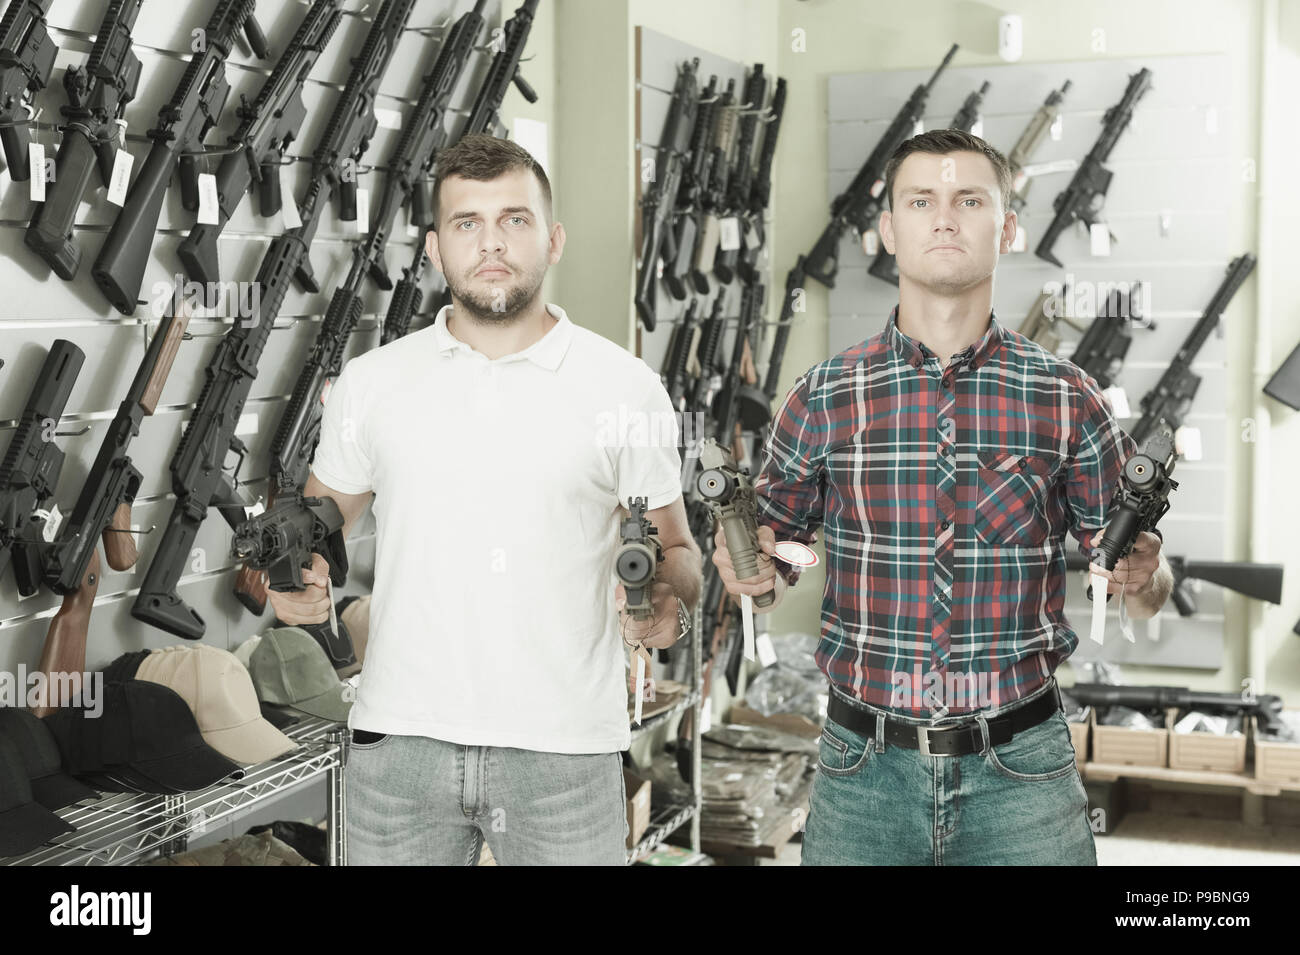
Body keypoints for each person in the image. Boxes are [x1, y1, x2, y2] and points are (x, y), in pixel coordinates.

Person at [711, 128, 1174, 865]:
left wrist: (1147, 575)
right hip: (862, 772)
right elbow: (776, 561)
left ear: (1008, 226)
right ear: (889, 229)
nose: (945, 219)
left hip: (1021, 771)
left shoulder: (1066, 398)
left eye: (969, 200)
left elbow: (1135, 581)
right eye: (921, 201)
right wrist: (752, 565)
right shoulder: (822, 398)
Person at [268, 134, 701, 865]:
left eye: (515, 220)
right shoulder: (372, 383)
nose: (491, 242)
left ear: (553, 239)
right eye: (468, 223)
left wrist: (671, 604)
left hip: (565, 751)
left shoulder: (624, 386)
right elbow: (312, 527)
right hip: (398, 747)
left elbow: (680, 549)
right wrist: (294, 582)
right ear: (435, 249)